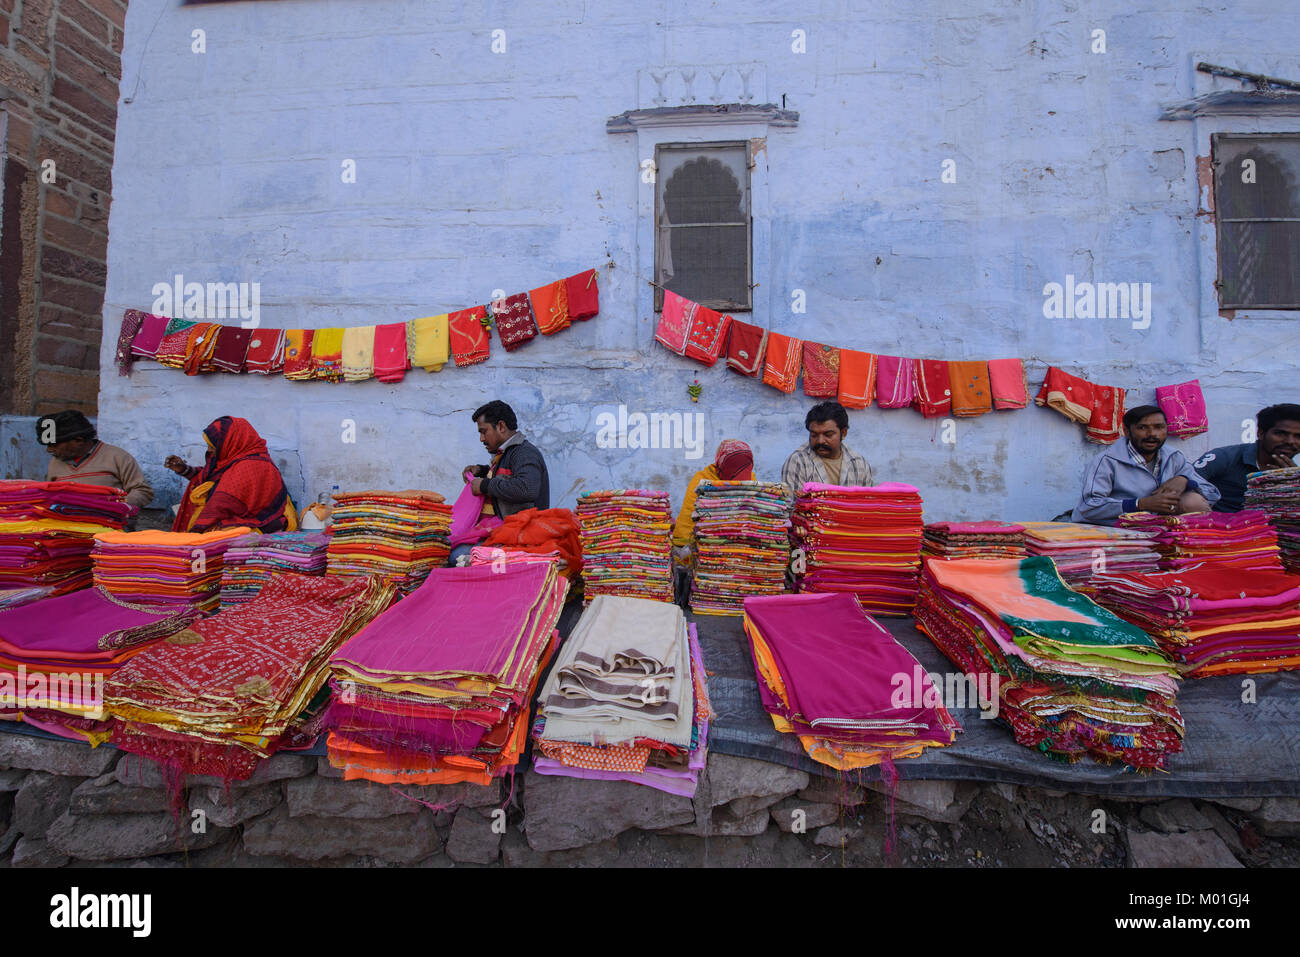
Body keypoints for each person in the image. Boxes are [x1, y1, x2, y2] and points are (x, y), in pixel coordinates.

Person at [1072, 405, 1218, 525]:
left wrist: (1184, 481)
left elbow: (1211, 494)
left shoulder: (1173, 457)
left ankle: (1192, 553)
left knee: (1193, 502)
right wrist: (1140, 504)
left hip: (1156, 525)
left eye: (1158, 427)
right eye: (1142, 428)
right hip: (1116, 527)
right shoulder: (1107, 461)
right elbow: (1089, 507)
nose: (1152, 434)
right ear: (1127, 431)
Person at [452, 401, 549, 564]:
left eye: (484, 432)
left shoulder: (524, 453)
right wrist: (482, 470)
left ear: (501, 426)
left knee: (457, 556)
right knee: (453, 549)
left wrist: (484, 485)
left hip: (521, 536)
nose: (482, 438)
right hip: (504, 532)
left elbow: (527, 488)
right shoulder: (506, 454)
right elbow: (504, 476)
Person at [165, 416, 296, 533]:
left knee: (214, 535)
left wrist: (196, 531)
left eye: (212, 445)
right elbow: (213, 479)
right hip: (244, 515)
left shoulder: (248, 466)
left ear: (229, 441)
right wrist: (184, 470)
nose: (209, 450)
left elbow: (221, 501)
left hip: (263, 521)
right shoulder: (238, 457)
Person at [36, 410, 154, 509]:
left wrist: (116, 505)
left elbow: (143, 491)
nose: (49, 450)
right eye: (47, 445)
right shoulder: (55, 463)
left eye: (54, 445)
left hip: (109, 528)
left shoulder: (117, 457)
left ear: (78, 441)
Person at [1194, 403, 1300, 512]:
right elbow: (1184, 484)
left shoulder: (1294, 475)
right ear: (1260, 433)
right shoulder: (1223, 457)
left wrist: (1291, 484)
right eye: (1281, 434)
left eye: (1298, 436)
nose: (1290, 441)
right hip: (1218, 525)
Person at [672, 440, 755, 550]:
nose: (739, 478)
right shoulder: (702, 481)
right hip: (700, 544)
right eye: (733, 467)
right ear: (721, 464)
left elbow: (752, 517)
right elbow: (688, 522)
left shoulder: (751, 480)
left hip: (739, 543)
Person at [781, 400, 873, 491]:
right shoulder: (798, 462)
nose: (820, 441)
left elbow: (867, 503)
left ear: (843, 433)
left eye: (828, 435)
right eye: (814, 435)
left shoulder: (859, 464)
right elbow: (791, 504)